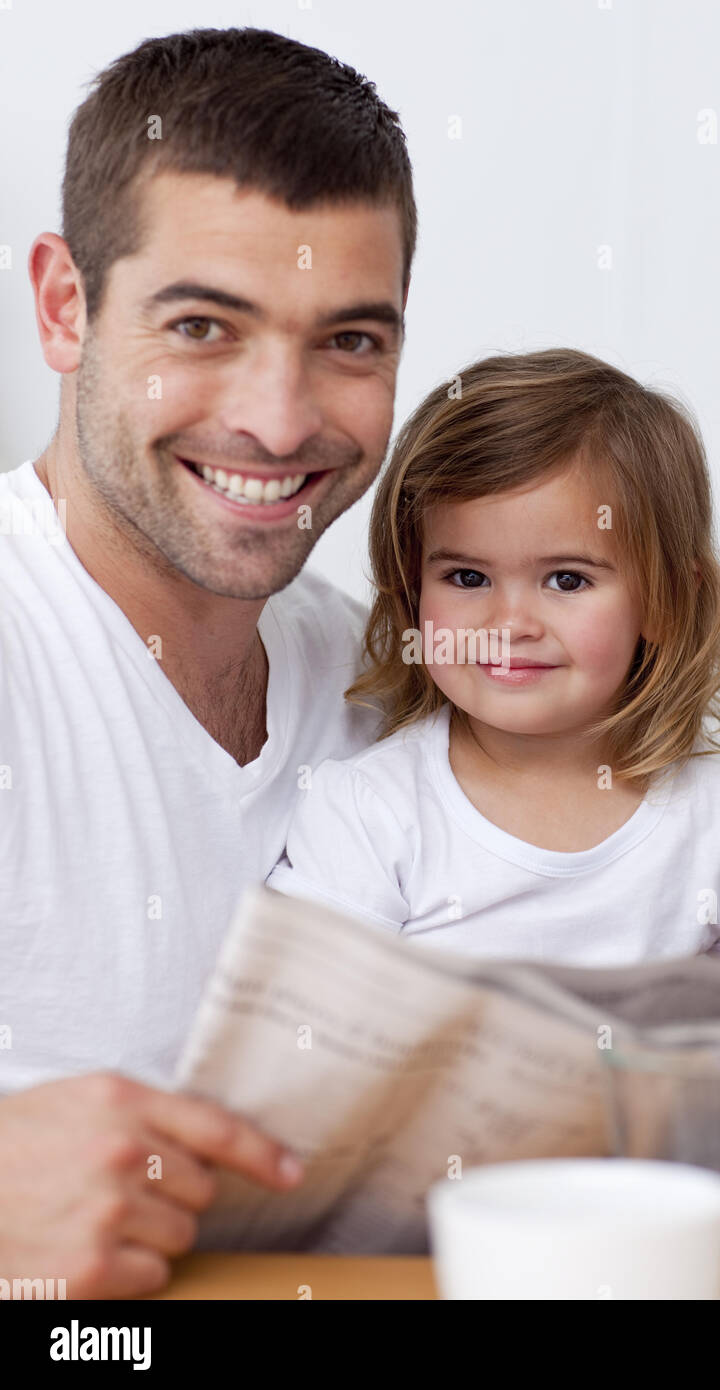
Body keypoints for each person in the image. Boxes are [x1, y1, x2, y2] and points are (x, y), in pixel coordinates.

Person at [265, 347, 720, 1260]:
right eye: (467, 577)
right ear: (412, 592)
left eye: (567, 579)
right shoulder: (367, 810)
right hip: (431, 1259)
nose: (509, 624)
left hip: (659, 1256)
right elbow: (300, 1069)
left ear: (666, 603)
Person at [0, 27, 415, 1296]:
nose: (279, 422)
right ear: (67, 305)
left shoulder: (388, 686)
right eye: (203, 324)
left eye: (349, 342)